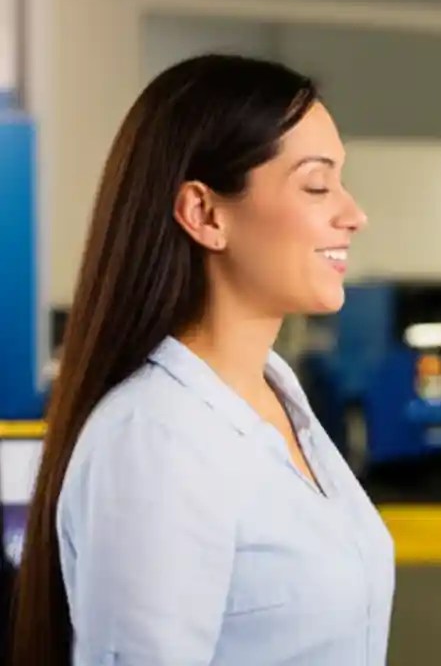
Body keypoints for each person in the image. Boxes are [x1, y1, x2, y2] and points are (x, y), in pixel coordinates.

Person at [9, 54, 395, 665]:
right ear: (205, 214)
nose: (353, 213)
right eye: (318, 185)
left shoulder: (277, 392)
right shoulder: (155, 437)